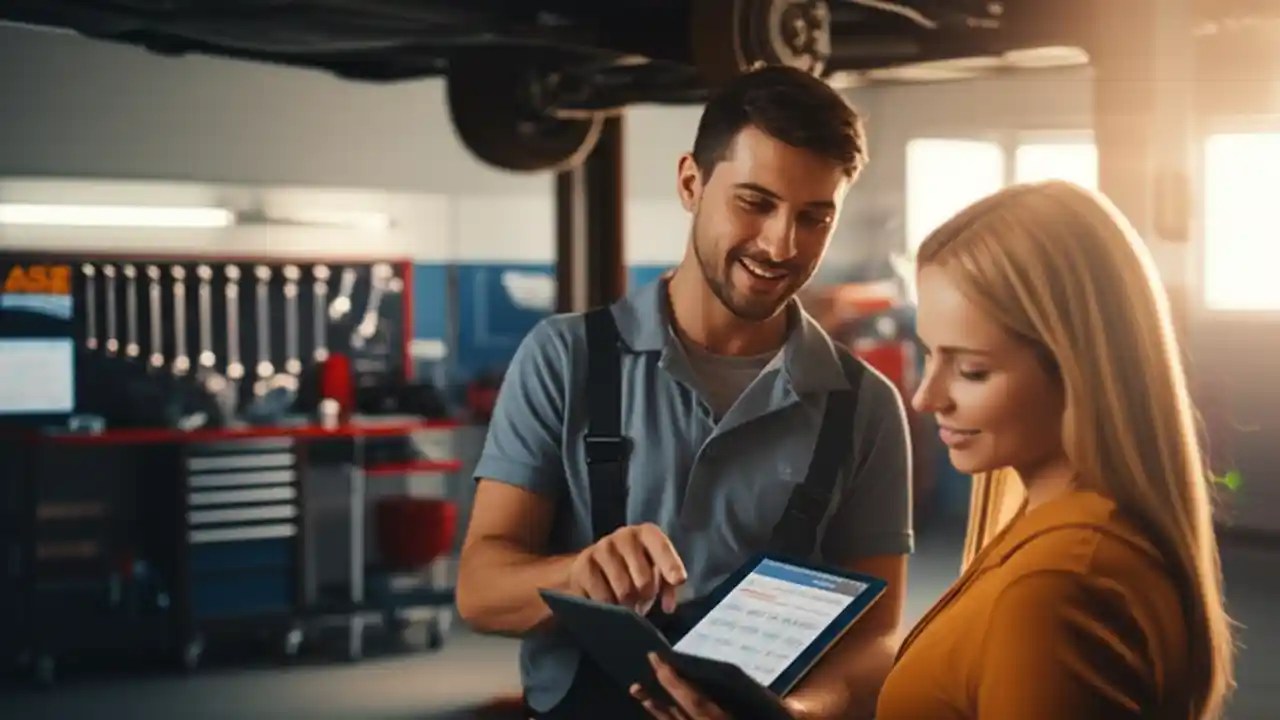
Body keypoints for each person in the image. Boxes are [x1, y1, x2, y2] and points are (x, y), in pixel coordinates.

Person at [634, 180, 1237, 719]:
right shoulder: (1061, 530)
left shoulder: (1056, 585)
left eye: (972, 370)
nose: (926, 398)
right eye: (930, 355)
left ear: (1079, 370)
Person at [455, 65, 914, 720]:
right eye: (755, 203)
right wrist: (577, 576)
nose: (781, 244)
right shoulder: (564, 359)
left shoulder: (864, 405)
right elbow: (480, 592)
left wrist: (801, 712)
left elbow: (877, 636)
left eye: (815, 217)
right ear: (691, 184)